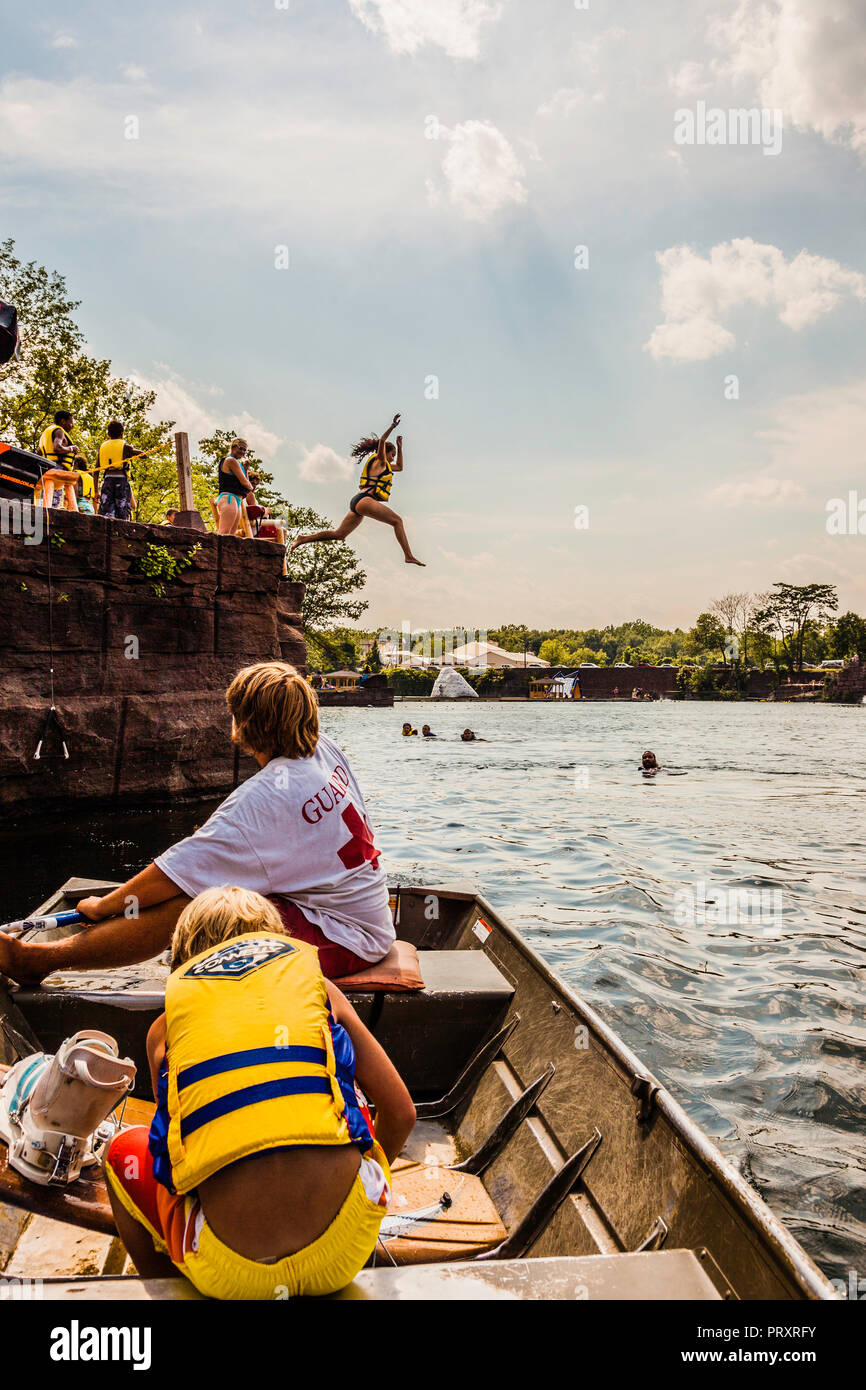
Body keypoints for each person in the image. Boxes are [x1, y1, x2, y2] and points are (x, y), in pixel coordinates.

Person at [103, 886, 415, 1299]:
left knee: (120, 1151)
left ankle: (169, 1289)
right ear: (274, 938)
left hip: (228, 1276)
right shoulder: (321, 991)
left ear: (184, 956)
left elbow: (173, 1159)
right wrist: (360, 1181)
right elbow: (401, 1113)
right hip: (348, 1247)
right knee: (343, 1096)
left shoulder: (164, 1027)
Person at [0, 662, 395, 986]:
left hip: (343, 941)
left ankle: (40, 961)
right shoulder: (322, 749)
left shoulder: (261, 802)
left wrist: (103, 906)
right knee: (208, 886)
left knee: (195, 905)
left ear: (242, 723)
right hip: (362, 918)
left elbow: (167, 877)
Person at [290, 413, 424, 566]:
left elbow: (399, 467)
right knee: (397, 521)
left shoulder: (385, 465)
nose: (393, 458)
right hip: (365, 501)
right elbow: (382, 441)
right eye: (392, 454)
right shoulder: (380, 460)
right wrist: (392, 426)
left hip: (358, 502)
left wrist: (400, 448)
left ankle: (303, 539)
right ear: (385, 453)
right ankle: (408, 555)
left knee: (339, 534)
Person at [36, 409, 85, 510]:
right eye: (71, 422)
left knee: (45, 496)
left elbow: (39, 453)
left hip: (45, 467)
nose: (72, 426)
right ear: (63, 421)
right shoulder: (59, 431)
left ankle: (43, 515)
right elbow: (57, 448)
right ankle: (50, 517)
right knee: (54, 498)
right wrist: (72, 448)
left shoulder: (47, 433)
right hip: (57, 468)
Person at [97, 421, 140, 521]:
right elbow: (144, 455)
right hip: (121, 481)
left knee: (106, 513)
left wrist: (96, 491)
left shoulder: (103, 448)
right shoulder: (126, 447)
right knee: (123, 512)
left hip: (107, 481)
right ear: (122, 433)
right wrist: (133, 451)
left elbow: (96, 471)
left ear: (108, 434)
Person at [217, 438, 256, 536]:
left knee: (231, 534)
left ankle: (226, 551)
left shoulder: (238, 464)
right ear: (233, 447)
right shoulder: (230, 460)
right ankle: (217, 551)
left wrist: (246, 470)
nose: (242, 452)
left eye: (244, 450)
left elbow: (246, 481)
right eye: (240, 448)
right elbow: (245, 483)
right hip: (229, 498)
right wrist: (251, 488)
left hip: (237, 500)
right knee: (224, 533)